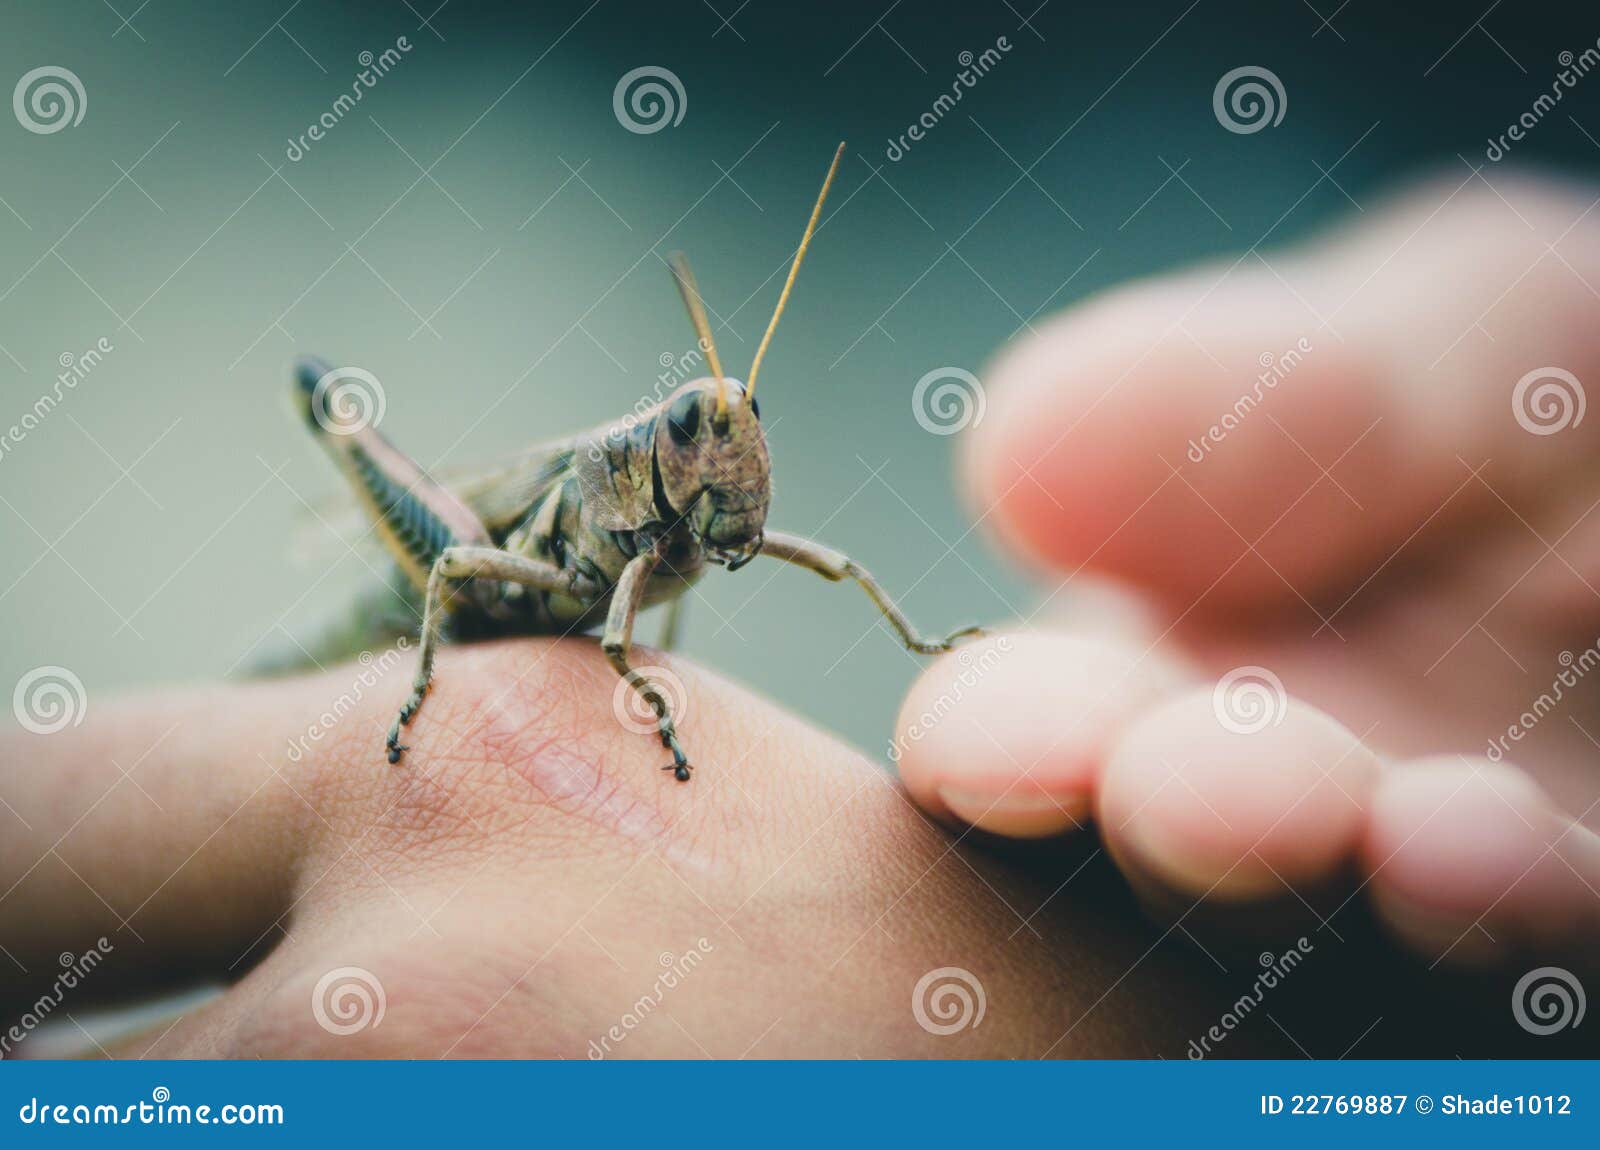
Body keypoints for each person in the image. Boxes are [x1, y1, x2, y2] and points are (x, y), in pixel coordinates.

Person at [1, 173, 1594, 1059]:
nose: (731, 459)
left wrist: (916, 650)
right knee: (402, 509)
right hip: (469, 566)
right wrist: (444, 707)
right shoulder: (602, 516)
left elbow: (673, 607)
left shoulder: (698, 514)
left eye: (736, 437)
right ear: (663, 449)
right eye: (705, 432)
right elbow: (554, 603)